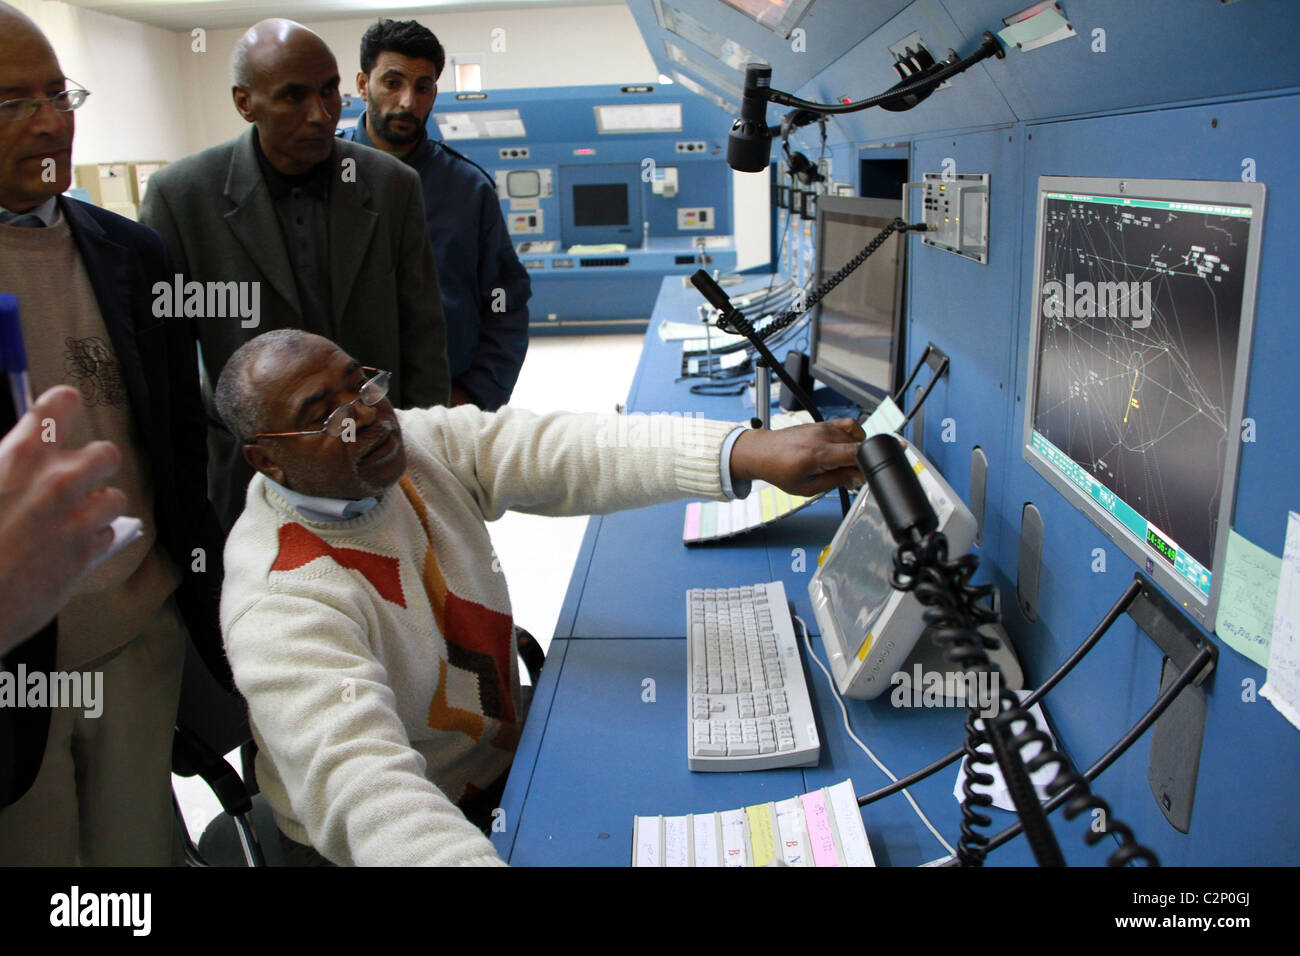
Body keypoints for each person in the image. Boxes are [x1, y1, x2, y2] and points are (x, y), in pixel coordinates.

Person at [215, 330, 865, 865]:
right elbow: (365, 791)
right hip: (399, 832)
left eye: (361, 382)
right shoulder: (279, 599)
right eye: (324, 414)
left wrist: (741, 450)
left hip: (498, 754)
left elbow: (561, 450)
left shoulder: (409, 445)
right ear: (266, 462)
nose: (365, 413)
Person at [0, 4, 228, 862]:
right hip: (14, 658)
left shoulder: (133, 253)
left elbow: (177, 441)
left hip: (138, 630)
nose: (51, 121)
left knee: (137, 859)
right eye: (12, 104)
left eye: (59, 94)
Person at [139, 18, 451, 531]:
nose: (320, 114)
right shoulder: (184, 197)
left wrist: (424, 452)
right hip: (257, 473)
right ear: (245, 102)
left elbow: (423, 333)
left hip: (377, 454)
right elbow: (167, 363)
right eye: (293, 97)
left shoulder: (390, 185)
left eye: (330, 91)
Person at [341, 18, 529, 411]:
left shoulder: (468, 189)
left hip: (442, 409)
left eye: (422, 87)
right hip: (341, 415)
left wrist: (476, 395)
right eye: (392, 83)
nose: (408, 101)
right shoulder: (324, 176)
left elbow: (502, 301)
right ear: (363, 84)